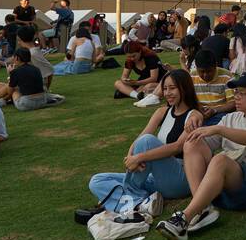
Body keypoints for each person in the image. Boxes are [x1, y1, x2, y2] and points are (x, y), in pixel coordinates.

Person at [158, 71, 246, 240]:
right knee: (192, 142)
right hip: (222, 190)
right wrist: (194, 121)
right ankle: (202, 210)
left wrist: (218, 129)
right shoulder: (231, 117)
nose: (237, 97)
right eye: (236, 93)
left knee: (220, 160)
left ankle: (184, 218)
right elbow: (203, 143)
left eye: (243, 93)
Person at [87, 70, 205, 216]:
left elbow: (177, 147)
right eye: (165, 88)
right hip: (156, 177)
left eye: (172, 88)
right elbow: (139, 138)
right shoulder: (162, 112)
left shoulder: (193, 116)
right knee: (97, 180)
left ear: (184, 88)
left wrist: (139, 158)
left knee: (147, 141)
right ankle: (140, 203)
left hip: (181, 178)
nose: (168, 93)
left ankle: (124, 197)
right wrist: (130, 156)